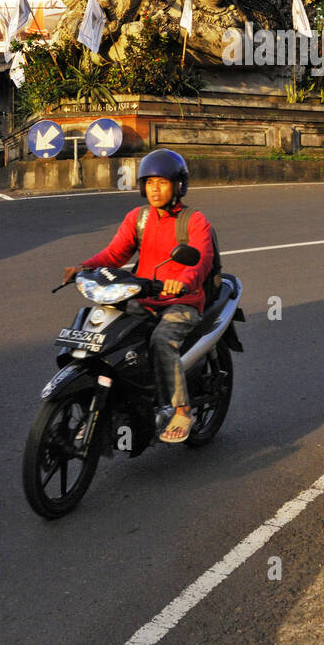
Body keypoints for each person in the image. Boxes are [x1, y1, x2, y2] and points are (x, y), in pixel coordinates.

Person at [62, 149, 213, 443]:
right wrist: (85, 267)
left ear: (178, 185)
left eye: (162, 182)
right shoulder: (138, 218)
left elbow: (201, 260)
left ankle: (182, 409)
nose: (155, 189)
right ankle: (105, 405)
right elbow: (114, 253)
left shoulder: (194, 221)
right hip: (142, 297)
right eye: (150, 182)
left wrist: (180, 282)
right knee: (106, 334)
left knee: (161, 340)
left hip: (181, 302)